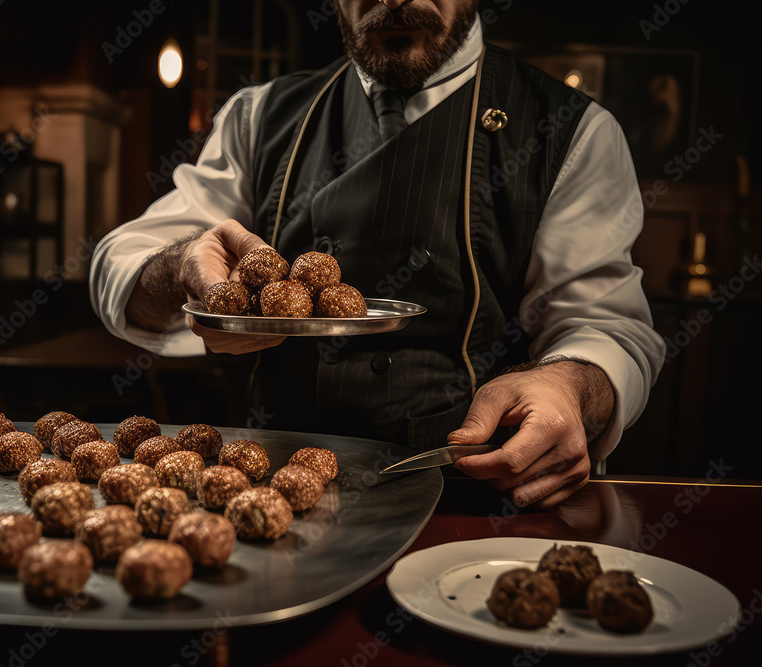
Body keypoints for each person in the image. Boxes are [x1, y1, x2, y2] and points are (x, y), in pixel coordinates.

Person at [90, 0, 665, 508]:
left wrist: (567, 384)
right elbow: (123, 264)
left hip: (472, 500)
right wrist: (184, 266)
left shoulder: (571, 131)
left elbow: (608, 327)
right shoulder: (260, 116)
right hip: (271, 504)